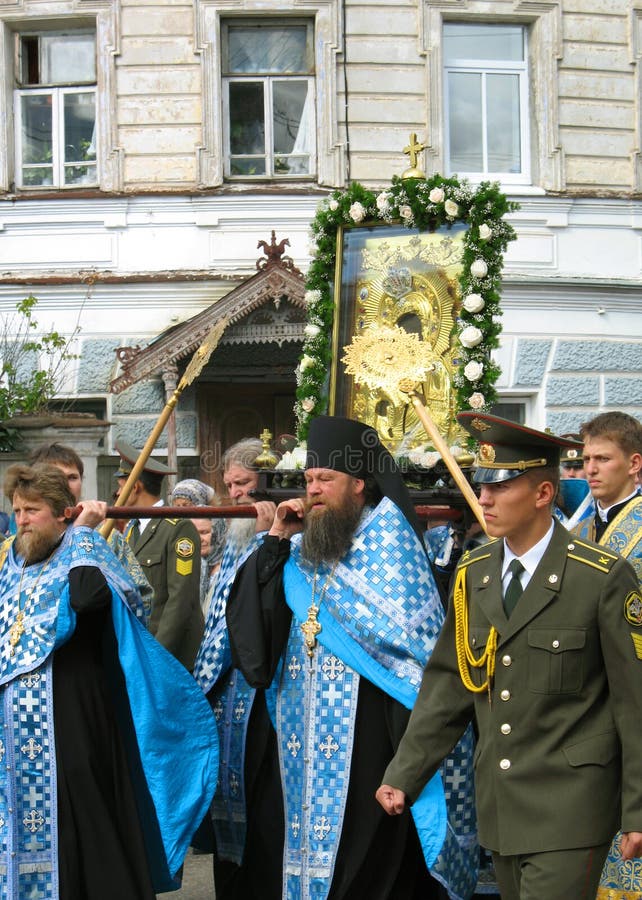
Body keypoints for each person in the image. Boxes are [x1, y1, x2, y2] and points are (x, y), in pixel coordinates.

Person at [376, 411, 642, 900]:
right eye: (481, 486)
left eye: (500, 488)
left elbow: (634, 702)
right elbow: (449, 684)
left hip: (573, 807)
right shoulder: (475, 572)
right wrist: (405, 772)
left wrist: (638, 809)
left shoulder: (600, 576)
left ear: (542, 495)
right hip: (501, 807)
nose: (483, 499)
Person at [223, 416, 478, 900]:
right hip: (298, 735)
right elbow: (253, 639)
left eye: (326, 480)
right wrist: (275, 540)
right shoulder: (298, 548)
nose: (313, 491)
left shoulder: (390, 542)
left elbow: (414, 654)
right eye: (309, 480)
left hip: (370, 734)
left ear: (359, 485)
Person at [0, 463, 218, 899]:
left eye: (32, 510)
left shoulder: (87, 553)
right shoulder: (14, 566)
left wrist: (83, 533)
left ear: (64, 512)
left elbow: (86, 600)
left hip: (74, 714)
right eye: (17, 510)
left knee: (86, 814)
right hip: (18, 727)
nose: (22, 520)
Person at [192, 437, 278, 894]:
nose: (235, 494)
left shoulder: (288, 536)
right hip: (226, 690)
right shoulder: (232, 540)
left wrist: (273, 539)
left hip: (265, 696)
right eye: (229, 485)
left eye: (243, 483)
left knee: (264, 813)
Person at [569, 412, 642, 899]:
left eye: (603, 459)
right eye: (585, 459)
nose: (590, 469)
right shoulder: (581, 529)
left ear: (634, 464)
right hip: (592, 705)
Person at [28, 440, 154, 620]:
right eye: (56, 477)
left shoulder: (107, 537)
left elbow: (141, 598)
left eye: (73, 477)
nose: (66, 485)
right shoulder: (17, 544)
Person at [115, 440, 203, 670]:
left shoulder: (177, 528)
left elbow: (181, 599)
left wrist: (156, 656)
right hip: (138, 651)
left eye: (121, 484)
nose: (117, 492)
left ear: (135, 487)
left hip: (164, 655)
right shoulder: (132, 529)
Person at [170, 478, 227, 614]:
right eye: (177, 506)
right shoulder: (178, 553)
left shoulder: (227, 567)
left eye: (186, 505)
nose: (181, 512)